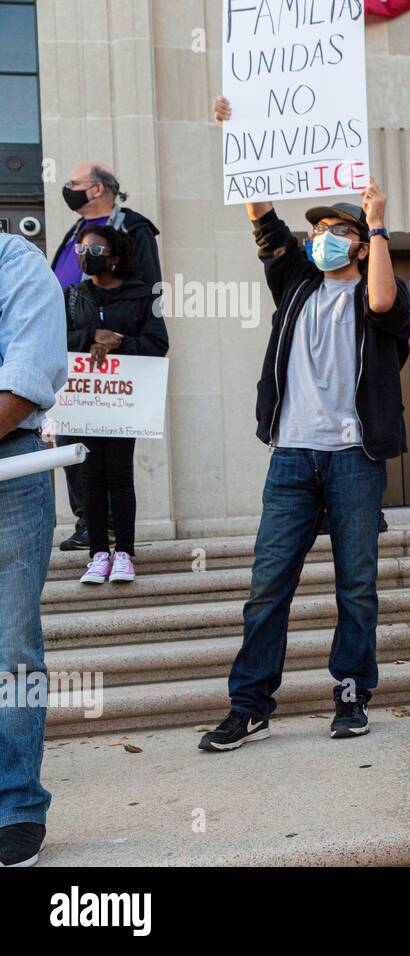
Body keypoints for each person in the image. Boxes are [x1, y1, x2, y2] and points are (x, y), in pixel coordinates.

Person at [200, 95, 410, 751]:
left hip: (354, 459)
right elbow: (262, 218)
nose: (322, 236)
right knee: (267, 588)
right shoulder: (295, 282)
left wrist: (376, 225)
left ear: (359, 241)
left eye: (337, 230)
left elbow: (380, 298)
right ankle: (250, 704)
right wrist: (240, 133)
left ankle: (351, 698)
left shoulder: (381, 296)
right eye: (318, 227)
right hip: (292, 456)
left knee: (357, 588)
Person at [50, 163, 161, 552]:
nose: (67, 189)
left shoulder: (134, 227)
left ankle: (110, 530)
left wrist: (121, 338)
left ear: (97, 189)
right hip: (72, 352)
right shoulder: (73, 233)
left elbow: (149, 290)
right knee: (70, 443)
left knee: (110, 459)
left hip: (112, 358)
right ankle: (87, 523)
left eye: (74, 183)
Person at [0, 232, 68, 867]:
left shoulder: (16, 266)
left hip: (9, 473)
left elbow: (22, 384)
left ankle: (16, 806)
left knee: (11, 648)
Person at [65, 224, 169, 585]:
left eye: (93, 250)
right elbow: (56, 340)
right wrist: (90, 336)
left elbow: (158, 343)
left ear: (115, 257)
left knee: (119, 473)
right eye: (81, 249)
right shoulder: (73, 296)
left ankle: (123, 552)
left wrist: (119, 343)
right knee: (90, 475)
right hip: (85, 397)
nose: (84, 255)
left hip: (124, 398)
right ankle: (97, 554)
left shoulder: (142, 295)